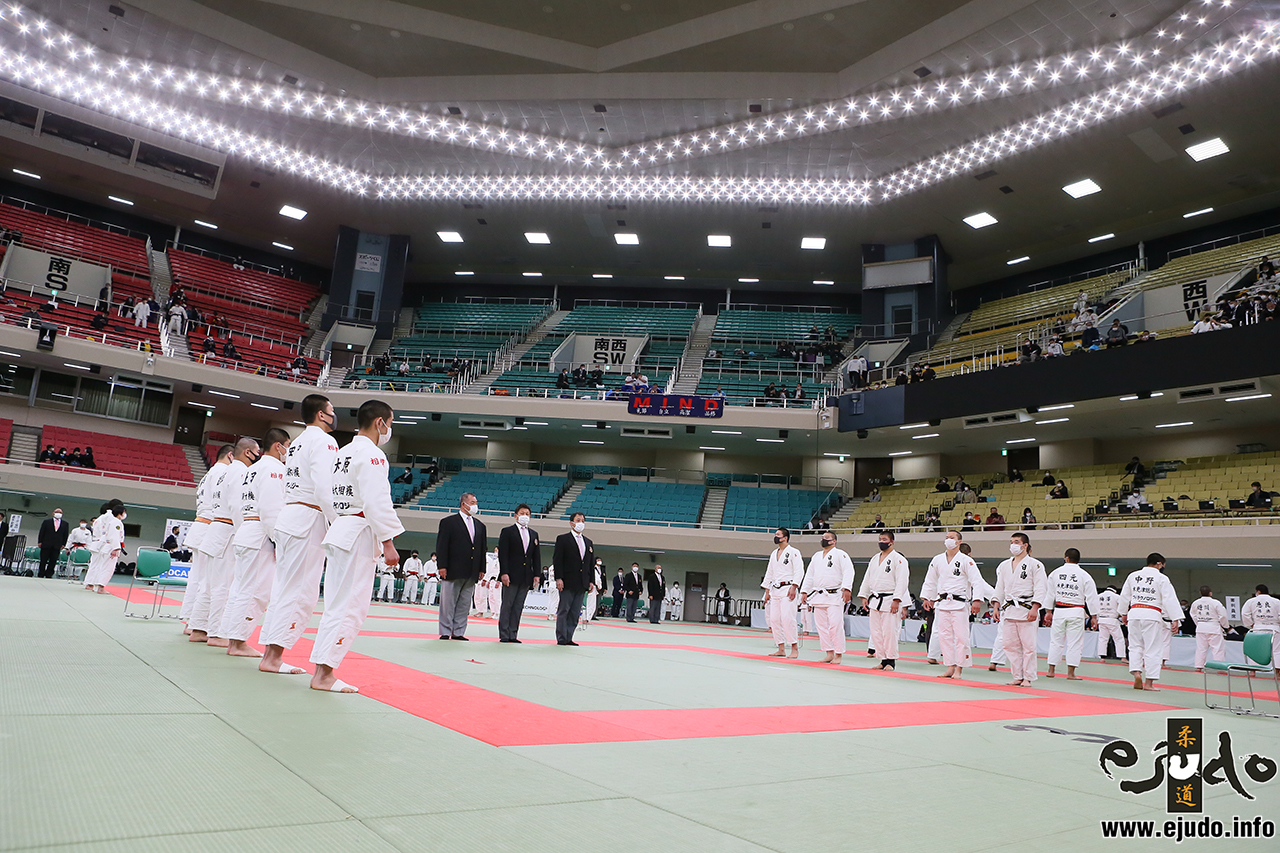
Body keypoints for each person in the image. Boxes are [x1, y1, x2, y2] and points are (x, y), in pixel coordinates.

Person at [310, 400, 403, 693]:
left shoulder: (342, 452)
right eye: (390, 422)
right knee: (351, 606)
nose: (390, 428)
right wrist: (388, 542)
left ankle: (321, 669)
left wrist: (339, 521)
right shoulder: (372, 455)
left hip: (341, 528)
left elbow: (326, 493)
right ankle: (324, 674)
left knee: (335, 605)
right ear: (380, 423)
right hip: (359, 532)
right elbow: (377, 501)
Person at [258, 395, 339, 677]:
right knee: (300, 591)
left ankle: (271, 653)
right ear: (320, 414)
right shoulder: (324, 441)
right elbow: (324, 486)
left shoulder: (299, 441)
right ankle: (274, 656)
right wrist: (337, 520)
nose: (334, 415)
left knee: (283, 589)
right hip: (308, 517)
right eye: (331, 411)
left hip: (291, 515)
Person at [219, 428, 290, 658]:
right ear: (278, 446)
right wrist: (278, 540)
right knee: (257, 591)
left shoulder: (252, 470)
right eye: (287, 445)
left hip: (246, 530)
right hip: (261, 533)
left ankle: (232, 638)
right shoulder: (273, 469)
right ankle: (238, 642)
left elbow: (236, 506)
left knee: (240, 589)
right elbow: (271, 509)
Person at [190, 437, 259, 648]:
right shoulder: (240, 472)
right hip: (228, 529)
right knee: (223, 586)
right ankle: (217, 633)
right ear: (247, 452)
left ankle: (199, 629)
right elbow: (237, 505)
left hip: (215, 528)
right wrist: (242, 531)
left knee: (208, 584)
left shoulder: (223, 471)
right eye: (257, 451)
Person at [921, 531, 992, 680]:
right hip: (942, 603)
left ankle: (959, 668)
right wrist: (927, 597)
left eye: (952, 538)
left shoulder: (966, 560)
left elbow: (976, 581)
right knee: (944, 637)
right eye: (947, 538)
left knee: (961, 637)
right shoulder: (937, 559)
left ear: (959, 542)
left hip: (960, 603)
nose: (948, 540)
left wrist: (977, 600)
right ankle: (950, 667)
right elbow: (930, 580)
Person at [180, 445, 233, 631]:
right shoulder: (223, 471)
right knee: (203, 578)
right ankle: (193, 622)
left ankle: (190, 620)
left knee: (198, 576)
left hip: (202, 524)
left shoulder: (209, 474)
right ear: (230, 455)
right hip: (210, 525)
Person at [1118, 553, 1183, 691]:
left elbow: (1124, 596)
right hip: (1152, 614)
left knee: (1135, 646)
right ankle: (1149, 683)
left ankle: (1136, 673)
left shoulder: (1133, 576)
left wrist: (1123, 612)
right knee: (1153, 648)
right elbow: (1169, 599)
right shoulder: (1161, 578)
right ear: (1159, 564)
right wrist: (1175, 618)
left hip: (1134, 613)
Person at [992, 533, 1047, 688]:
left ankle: (1028, 677)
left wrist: (1036, 608)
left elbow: (1041, 588)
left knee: (1028, 646)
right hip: (1009, 609)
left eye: (1017, 542)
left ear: (1025, 545)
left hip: (1027, 608)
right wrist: (996, 606)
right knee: (1009, 645)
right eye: (1011, 542)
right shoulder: (1004, 565)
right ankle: (1017, 676)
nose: (1013, 545)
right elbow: (999, 588)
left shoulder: (1035, 564)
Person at [435, 492, 487, 640]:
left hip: (472, 570)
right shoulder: (449, 522)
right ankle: (445, 631)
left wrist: (482, 568)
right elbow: (442, 546)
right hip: (452, 568)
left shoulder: (480, 526)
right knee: (448, 603)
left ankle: (458, 631)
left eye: (476, 502)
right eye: (472, 502)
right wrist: (442, 566)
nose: (475, 505)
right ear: (464, 504)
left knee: (464, 604)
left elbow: (482, 548)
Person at [799, 531, 855, 664]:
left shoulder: (841, 554)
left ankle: (838, 653)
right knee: (821, 626)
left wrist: (847, 588)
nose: (824, 540)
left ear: (834, 541)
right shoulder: (817, 556)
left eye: (827, 538)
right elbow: (809, 575)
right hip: (818, 595)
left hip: (835, 595)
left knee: (835, 625)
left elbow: (849, 571)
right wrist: (804, 591)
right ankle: (828, 652)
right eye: (822, 538)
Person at [857, 530, 910, 671]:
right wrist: (864, 596)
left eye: (884, 539)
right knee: (876, 632)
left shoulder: (899, 559)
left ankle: (891, 662)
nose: (881, 541)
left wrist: (897, 600)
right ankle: (882, 659)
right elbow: (867, 578)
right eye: (880, 539)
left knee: (889, 632)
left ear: (892, 541)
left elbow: (902, 582)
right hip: (875, 600)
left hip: (890, 600)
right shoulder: (875, 558)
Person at [1043, 548, 1099, 680]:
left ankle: (1051, 670)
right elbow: (1091, 597)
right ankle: (1071, 673)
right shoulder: (1084, 575)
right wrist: (1094, 616)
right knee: (1075, 643)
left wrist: (1048, 611)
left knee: (1056, 641)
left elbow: (1049, 594)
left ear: (1066, 558)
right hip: (1076, 611)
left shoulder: (1055, 573)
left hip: (1059, 611)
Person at [497, 503, 541, 642]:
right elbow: (503, 554)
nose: (525, 516)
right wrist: (504, 572)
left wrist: (537, 575)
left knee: (518, 607)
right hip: (510, 574)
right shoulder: (507, 531)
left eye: (527, 514)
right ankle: (504, 634)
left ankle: (513, 634)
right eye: (522, 513)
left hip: (526, 575)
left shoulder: (533, 534)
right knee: (507, 605)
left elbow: (536, 556)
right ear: (516, 516)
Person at [552, 512, 594, 646]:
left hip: (582, 582)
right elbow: (557, 560)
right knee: (564, 610)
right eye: (578, 520)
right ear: (571, 523)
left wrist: (591, 581)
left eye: (583, 520)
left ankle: (569, 636)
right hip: (567, 581)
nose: (580, 523)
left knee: (575, 612)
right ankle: (561, 637)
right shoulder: (563, 539)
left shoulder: (588, 542)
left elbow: (590, 564)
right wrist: (559, 578)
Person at [761, 527, 804, 658]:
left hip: (788, 587)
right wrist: (767, 591)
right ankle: (780, 648)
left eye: (778, 534)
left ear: (785, 537)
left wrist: (794, 586)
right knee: (774, 620)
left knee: (787, 619)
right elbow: (770, 573)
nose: (776, 536)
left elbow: (799, 570)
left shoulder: (794, 552)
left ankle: (794, 648)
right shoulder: (774, 553)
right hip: (775, 589)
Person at [83, 502, 126, 594]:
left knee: (96, 565)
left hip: (100, 543)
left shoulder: (101, 518)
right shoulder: (114, 520)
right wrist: (116, 548)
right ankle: (100, 586)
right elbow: (113, 535)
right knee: (106, 567)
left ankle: (90, 584)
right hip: (107, 544)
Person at [1189, 586, 1230, 672]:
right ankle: (1220, 668)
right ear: (1210, 593)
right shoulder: (1215, 603)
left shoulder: (1195, 603)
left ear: (1200, 593)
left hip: (1201, 627)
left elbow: (1193, 615)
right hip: (1213, 627)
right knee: (1217, 649)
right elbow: (1222, 615)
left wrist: (1199, 623)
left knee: (1201, 648)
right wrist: (1225, 626)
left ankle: (1198, 667)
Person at [1240, 584, 1280, 669]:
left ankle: (1252, 671)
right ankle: (1277, 671)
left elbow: (1244, 614)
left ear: (1258, 592)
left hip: (1258, 627)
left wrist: (1250, 624)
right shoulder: (1276, 601)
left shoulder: (1251, 601)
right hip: (1274, 627)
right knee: (1276, 650)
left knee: (1256, 649)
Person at [36, 507, 70, 578]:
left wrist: (63, 544)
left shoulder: (65, 524)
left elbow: (65, 535)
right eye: (57, 512)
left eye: (60, 513)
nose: (59, 514)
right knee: (43, 560)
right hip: (46, 544)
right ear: (53, 513)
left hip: (57, 545)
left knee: (53, 560)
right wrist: (40, 541)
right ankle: (41, 573)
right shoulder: (47, 522)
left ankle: (49, 574)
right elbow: (42, 532)